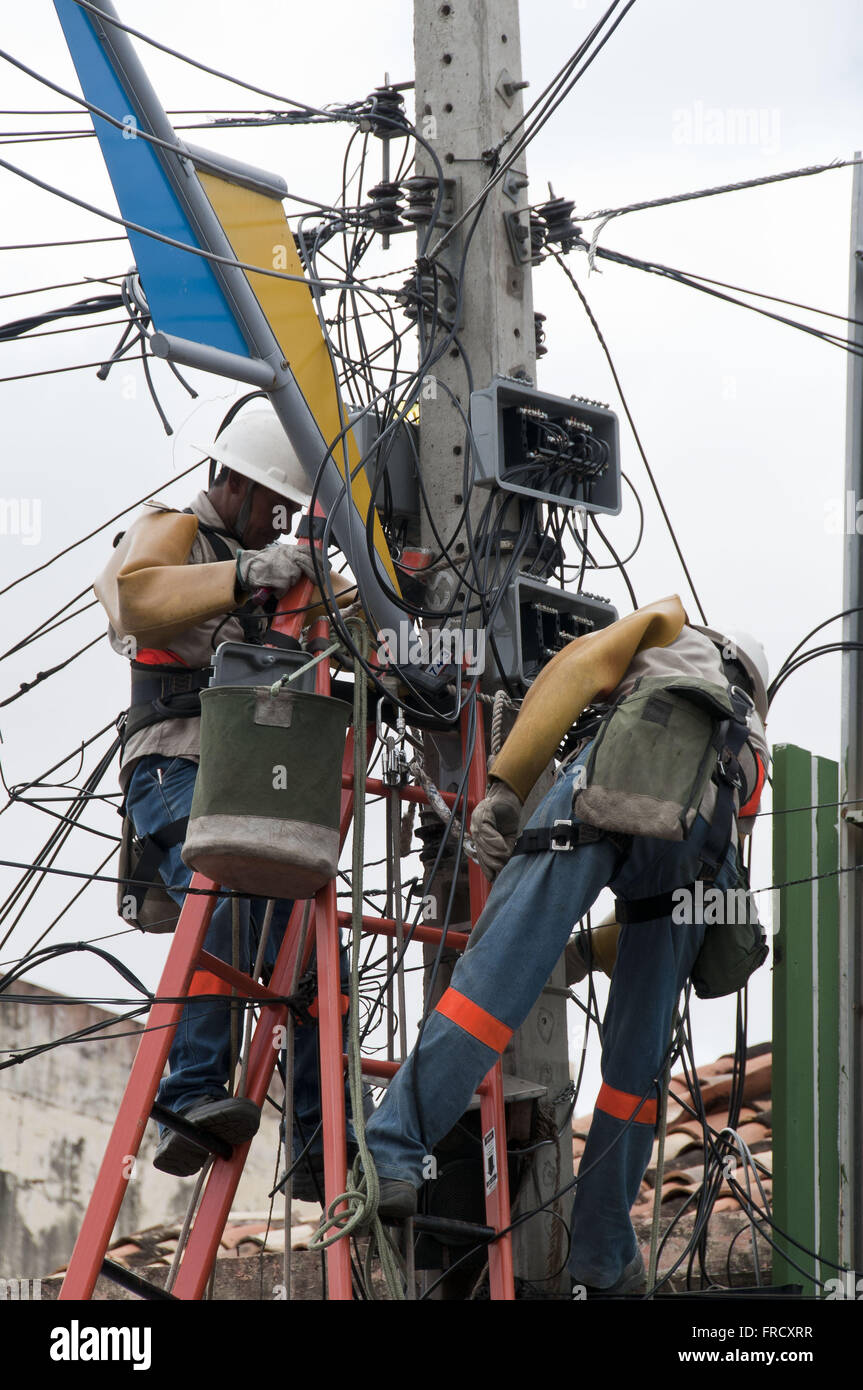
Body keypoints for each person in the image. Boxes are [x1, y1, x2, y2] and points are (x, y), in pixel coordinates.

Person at [362, 595, 770, 1294]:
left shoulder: (671, 629)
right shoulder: (748, 752)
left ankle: (395, 1150)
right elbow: (674, 897)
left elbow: (575, 669)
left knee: (496, 983)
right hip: (698, 853)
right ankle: (605, 1256)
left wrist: (504, 788)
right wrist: (579, 955)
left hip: (611, 785)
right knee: (637, 1070)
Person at [95, 403, 354, 1188]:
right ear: (233, 481)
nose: (279, 519)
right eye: (273, 502)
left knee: (314, 958)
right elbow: (131, 598)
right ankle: (191, 1095)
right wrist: (244, 573)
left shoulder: (286, 566)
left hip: (258, 781)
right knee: (224, 908)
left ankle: (320, 1142)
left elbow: (370, 634)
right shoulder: (176, 531)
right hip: (176, 764)